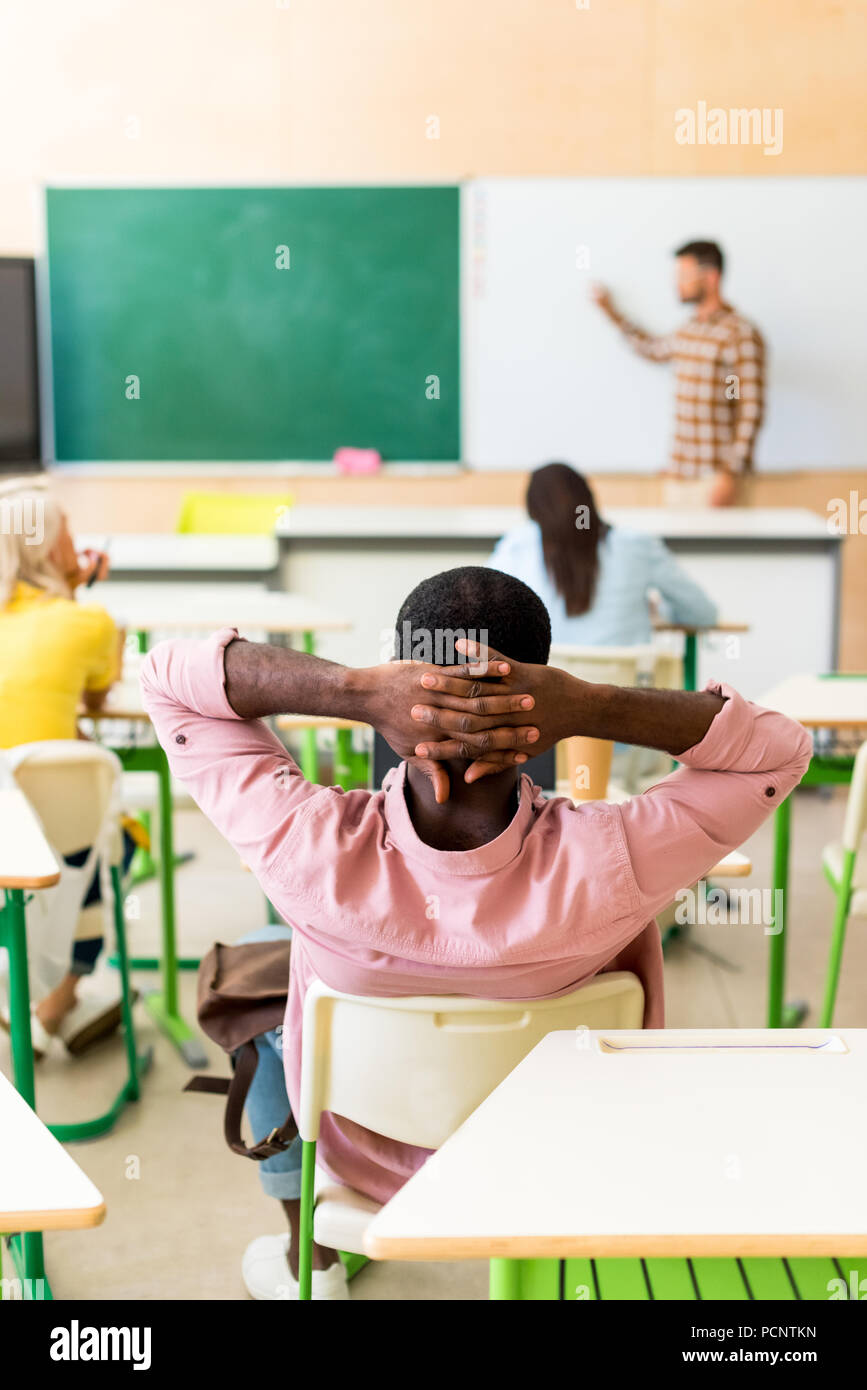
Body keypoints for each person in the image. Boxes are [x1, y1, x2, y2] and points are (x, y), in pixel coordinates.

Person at [140, 565, 811, 1299]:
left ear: (396, 694)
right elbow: (779, 749)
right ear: (544, 710)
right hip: (558, 1162)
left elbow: (170, 678)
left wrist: (355, 691)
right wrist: (589, 705)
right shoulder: (615, 860)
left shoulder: (302, 845)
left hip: (361, 1172)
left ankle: (314, 1260)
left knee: (262, 994)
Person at [0, 476, 132, 1054]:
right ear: (53, 548)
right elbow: (99, 693)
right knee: (114, 841)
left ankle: (23, 988)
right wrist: (74, 595)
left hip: (6, 842)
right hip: (51, 838)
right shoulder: (86, 622)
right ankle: (58, 1000)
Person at [591, 240, 765, 506]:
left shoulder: (739, 334)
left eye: (684, 276)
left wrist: (731, 473)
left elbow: (750, 408)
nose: (677, 283)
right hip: (679, 476)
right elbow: (653, 349)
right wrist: (612, 314)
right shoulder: (689, 331)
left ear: (711, 277)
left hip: (716, 481)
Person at [490, 462, 717, 645]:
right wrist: (659, 611)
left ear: (533, 510)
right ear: (589, 499)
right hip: (624, 697)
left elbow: (478, 607)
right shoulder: (636, 546)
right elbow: (703, 613)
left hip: (544, 697)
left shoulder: (517, 546)